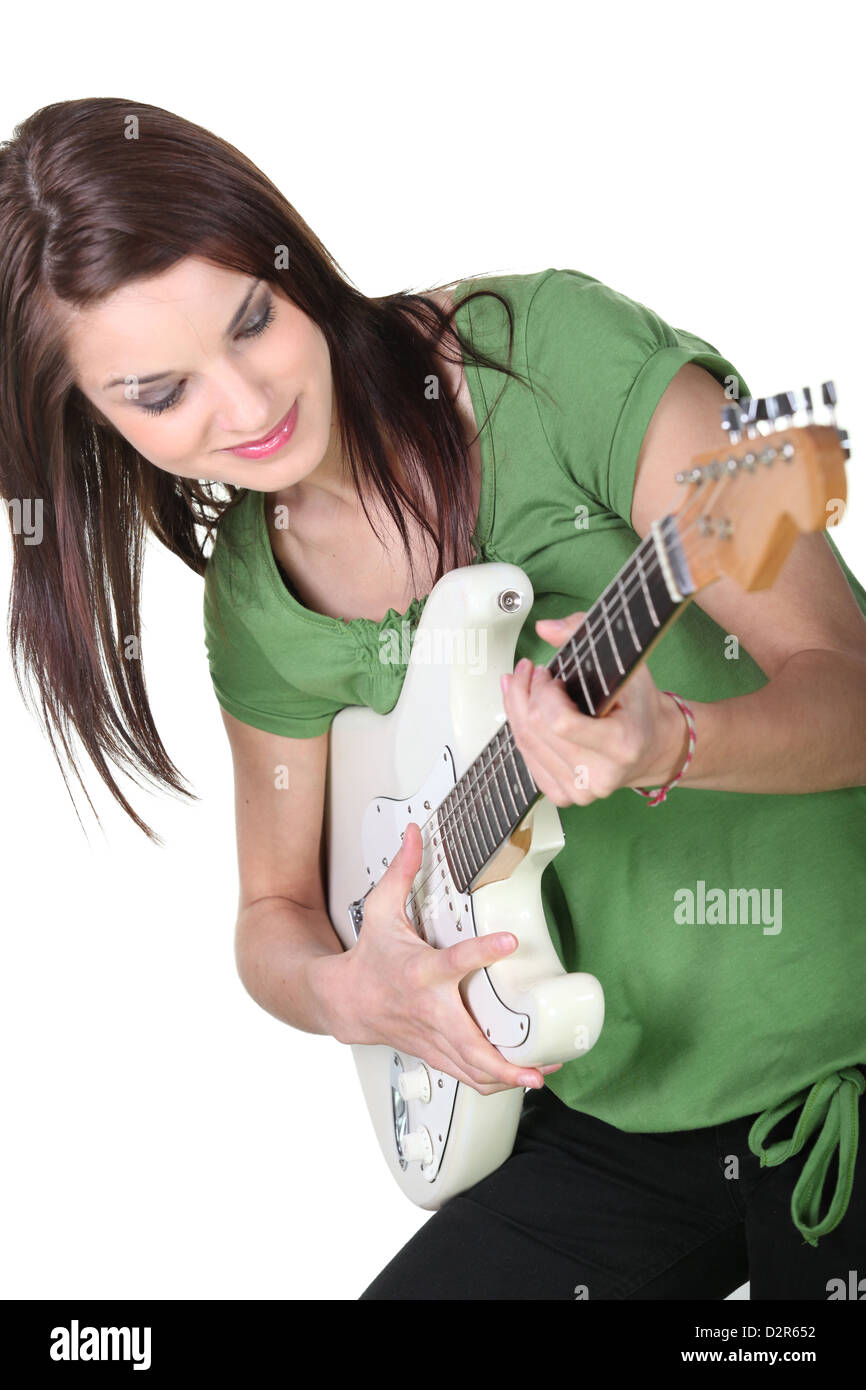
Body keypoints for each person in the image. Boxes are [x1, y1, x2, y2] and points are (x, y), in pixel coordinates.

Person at [2, 96, 865, 1303]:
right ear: (85, 420)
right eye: (159, 393)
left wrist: (668, 740)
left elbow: (848, 688)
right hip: (616, 1107)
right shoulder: (257, 597)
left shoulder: (548, 360)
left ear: (289, 263)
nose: (245, 406)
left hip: (843, 1060)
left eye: (252, 320)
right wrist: (345, 990)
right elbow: (272, 911)